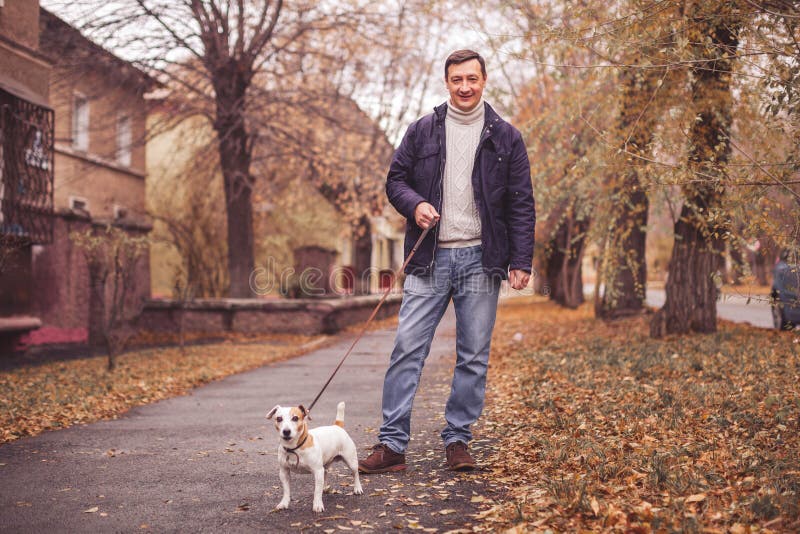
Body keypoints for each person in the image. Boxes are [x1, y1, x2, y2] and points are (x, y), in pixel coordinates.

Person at [358, 50, 536, 473]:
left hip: (482, 259)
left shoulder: (506, 137)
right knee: (407, 348)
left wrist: (521, 259)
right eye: (457, 79)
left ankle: (458, 440)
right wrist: (415, 204)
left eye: (472, 78)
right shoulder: (422, 130)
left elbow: (521, 202)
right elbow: (395, 181)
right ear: (447, 82)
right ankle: (392, 445)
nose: (465, 87)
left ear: (484, 80)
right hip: (429, 258)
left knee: (473, 355)